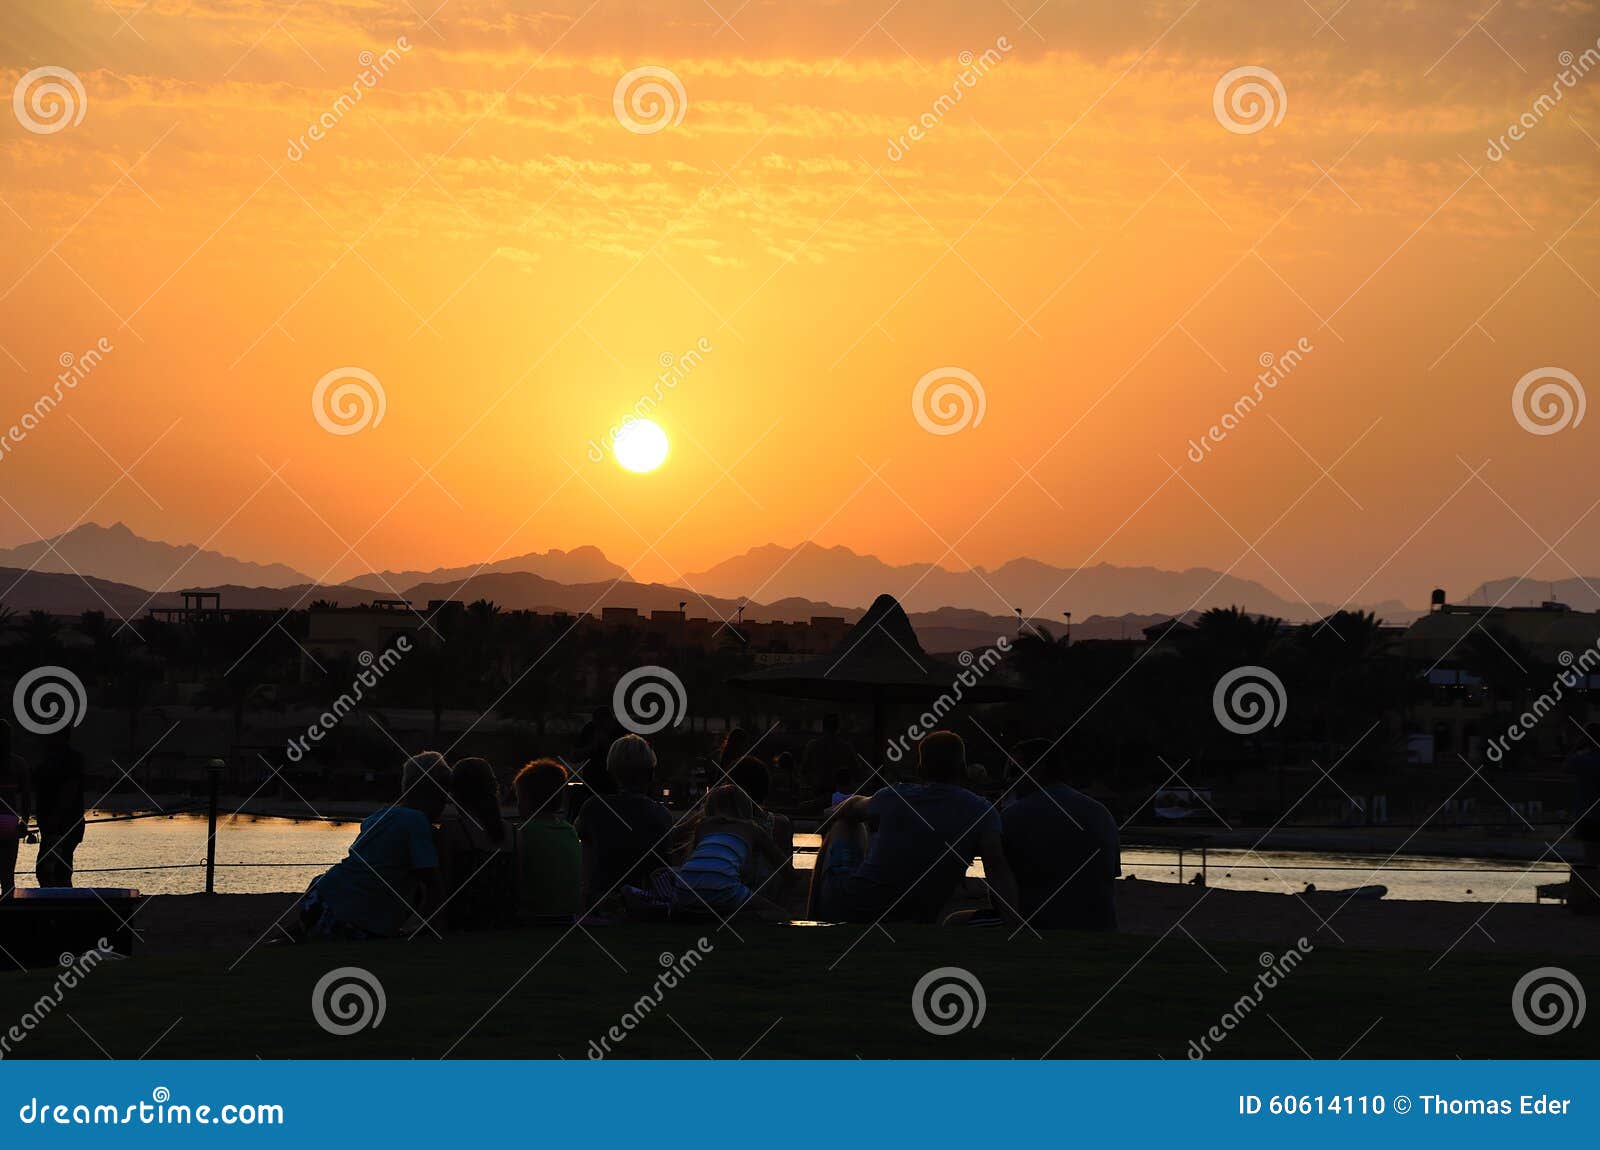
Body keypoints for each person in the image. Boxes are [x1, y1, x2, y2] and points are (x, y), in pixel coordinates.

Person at [809, 730, 1020, 925]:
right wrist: (1013, 921)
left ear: (920, 768)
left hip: (851, 908)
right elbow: (996, 867)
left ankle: (813, 916)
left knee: (843, 824)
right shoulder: (982, 812)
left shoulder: (895, 796)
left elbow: (853, 807)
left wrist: (830, 814)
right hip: (913, 915)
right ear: (963, 769)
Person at [295, 752, 448, 940]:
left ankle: (299, 930)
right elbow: (432, 884)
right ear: (432, 794)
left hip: (318, 894)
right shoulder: (417, 822)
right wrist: (430, 928)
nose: (444, 805)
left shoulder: (379, 816)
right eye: (443, 797)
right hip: (346, 915)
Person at [997, 743, 1120, 929]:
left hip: (1037, 925)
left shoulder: (1013, 815)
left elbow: (1000, 892)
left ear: (1037, 769)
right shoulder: (1101, 813)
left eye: (1014, 769)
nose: (1007, 778)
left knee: (957, 921)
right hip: (1100, 925)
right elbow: (1109, 876)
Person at [574, 734, 674, 906]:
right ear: (650, 773)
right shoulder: (662, 815)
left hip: (602, 898)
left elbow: (585, 860)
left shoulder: (593, 808)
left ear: (611, 770)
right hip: (645, 900)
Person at [669, 784, 788, 918]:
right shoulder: (752, 828)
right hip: (723, 888)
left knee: (720, 903)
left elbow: (691, 860)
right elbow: (783, 867)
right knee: (777, 912)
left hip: (684, 889)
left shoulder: (703, 827)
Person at [437, 757, 514, 931]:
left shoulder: (452, 832)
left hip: (463, 922)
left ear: (456, 792)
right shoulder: (513, 833)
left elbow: (442, 887)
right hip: (502, 921)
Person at [513, 758, 582, 923]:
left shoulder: (522, 833)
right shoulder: (570, 831)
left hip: (532, 915)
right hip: (567, 914)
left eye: (519, 797)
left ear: (527, 798)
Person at [729, 756, 793, 897]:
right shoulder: (780, 824)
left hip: (731, 899)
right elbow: (787, 876)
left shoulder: (720, 825)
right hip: (769, 898)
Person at [34, 731, 85, 889]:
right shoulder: (49, 758)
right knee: (55, 867)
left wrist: (56, 818)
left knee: (53, 869)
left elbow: (69, 790)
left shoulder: (68, 759)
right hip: (55, 822)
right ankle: (59, 900)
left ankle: (58, 901)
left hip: (63, 822)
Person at [0, 720, 32, 898]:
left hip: (7, 822)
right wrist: (24, 822)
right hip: (9, 822)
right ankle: (8, 912)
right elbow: (26, 798)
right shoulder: (19, 763)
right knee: (7, 877)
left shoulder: (18, 764)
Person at [802, 714, 852, 805]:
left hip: (817, 791)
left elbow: (804, 770)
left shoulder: (812, 746)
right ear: (838, 728)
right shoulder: (846, 747)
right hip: (839, 794)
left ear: (823, 727)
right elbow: (856, 771)